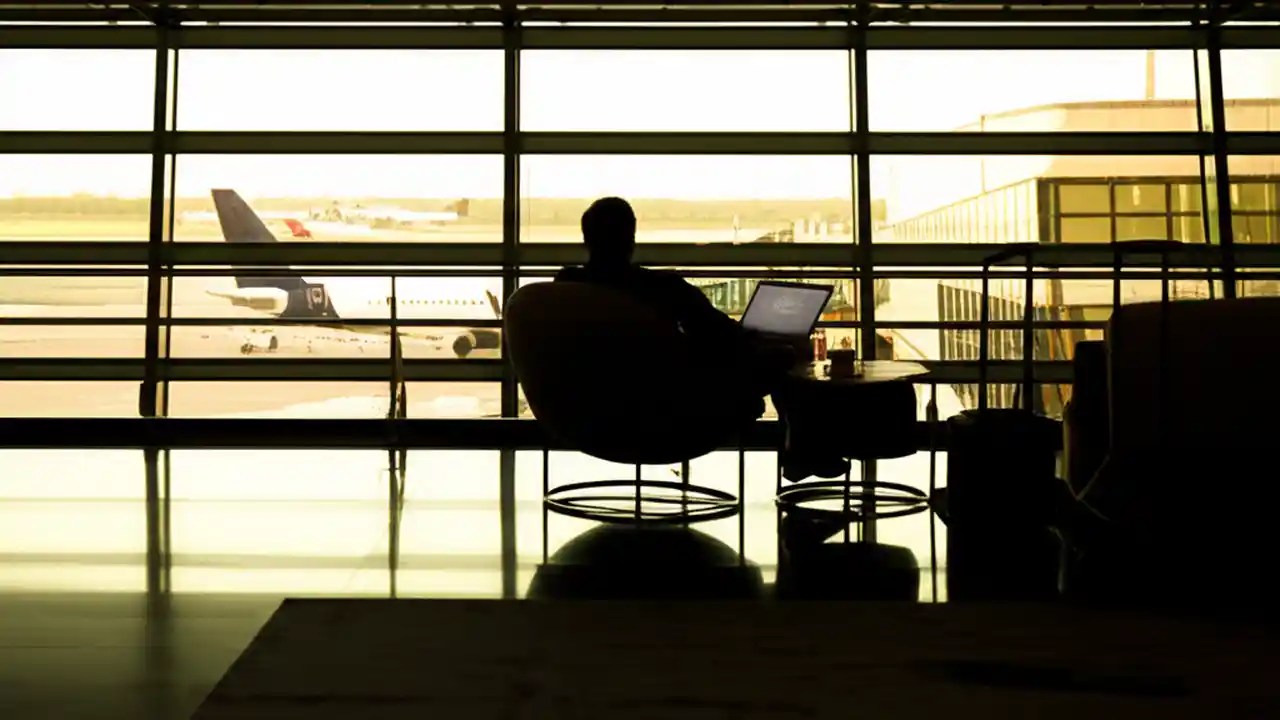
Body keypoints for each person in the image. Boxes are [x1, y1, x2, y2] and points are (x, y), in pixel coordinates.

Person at [554, 196, 849, 481]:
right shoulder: (661, 287)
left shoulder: (567, 286)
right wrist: (754, 336)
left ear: (586, 240)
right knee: (784, 355)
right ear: (631, 238)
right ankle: (802, 449)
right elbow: (718, 332)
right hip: (668, 404)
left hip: (594, 403)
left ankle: (803, 450)